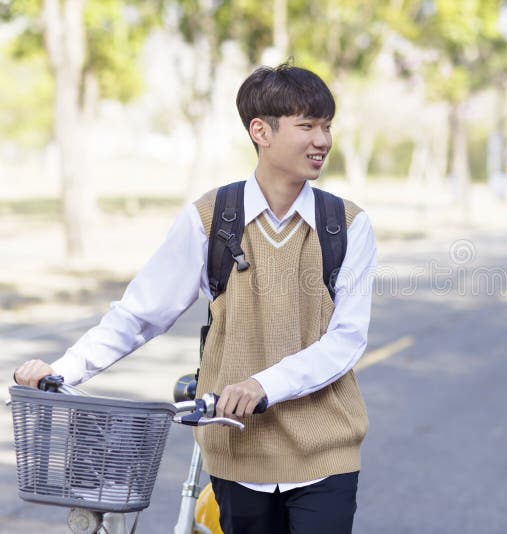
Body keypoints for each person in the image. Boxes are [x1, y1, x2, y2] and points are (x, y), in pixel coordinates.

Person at [14, 63, 377, 534]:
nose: (322, 140)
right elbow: (140, 314)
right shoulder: (210, 219)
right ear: (261, 131)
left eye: (326, 126)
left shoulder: (346, 225)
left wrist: (264, 384)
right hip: (237, 455)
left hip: (325, 455)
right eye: (307, 126)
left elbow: (346, 339)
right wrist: (63, 369)